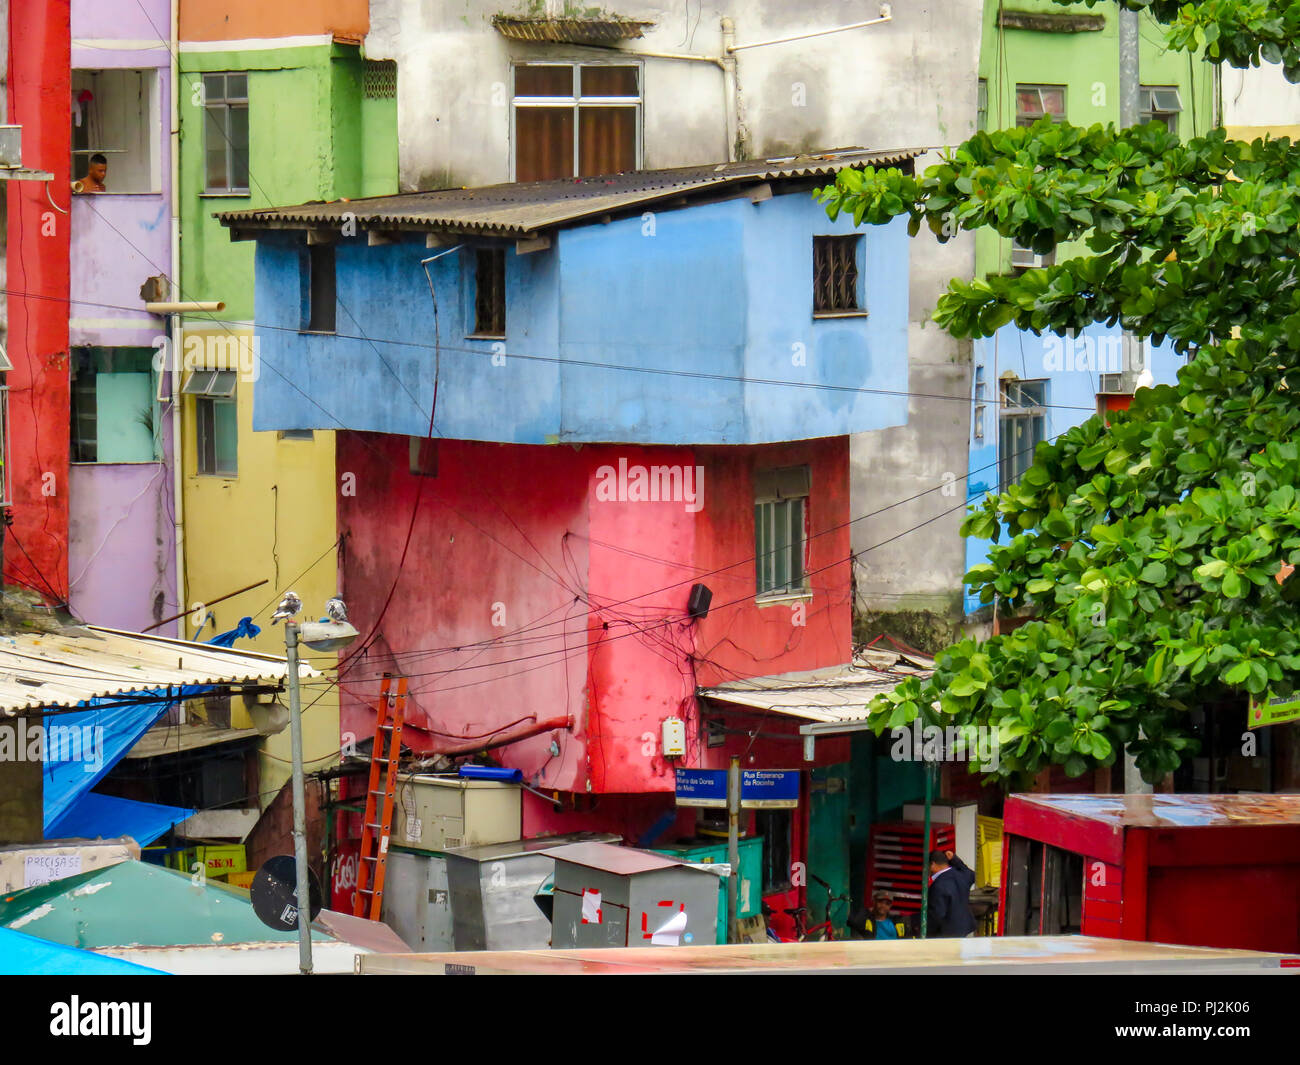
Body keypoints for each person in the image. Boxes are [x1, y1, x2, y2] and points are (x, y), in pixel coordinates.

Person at [926, 848, 976, 937]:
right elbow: (971, 875)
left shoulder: (938, 886)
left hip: (948, 933)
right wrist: (954, 859)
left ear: (932, 864)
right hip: (965, 928)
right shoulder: (962, 875)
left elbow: (937, 914)